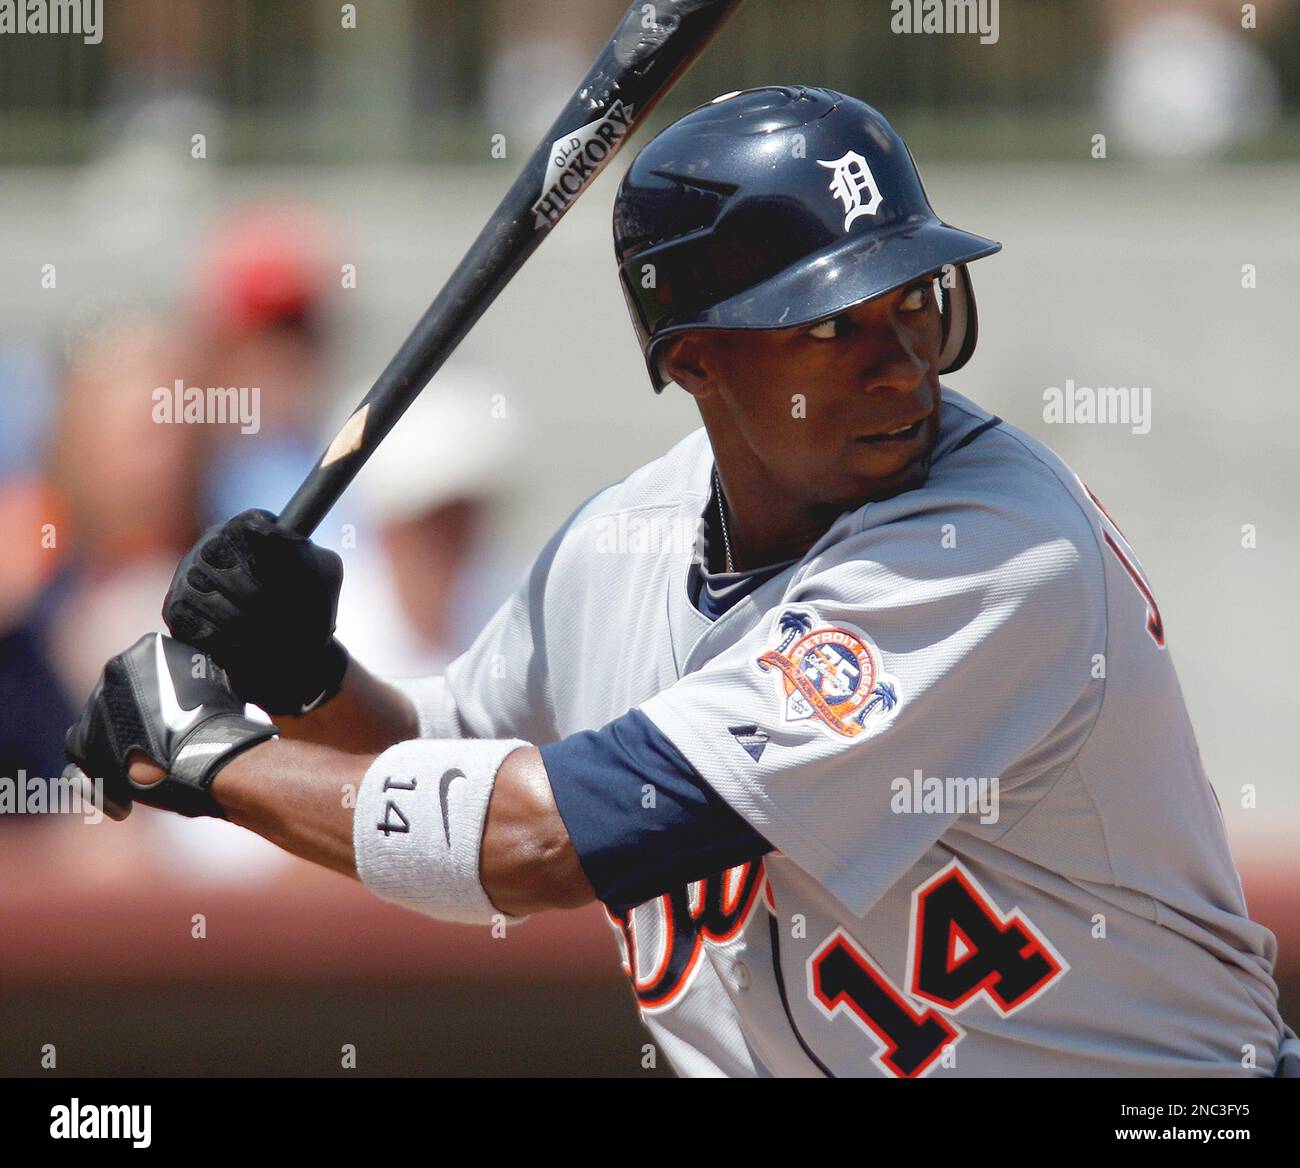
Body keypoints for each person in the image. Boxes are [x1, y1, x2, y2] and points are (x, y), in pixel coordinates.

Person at [64, 87, 1294, 1077]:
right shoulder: (624, 545)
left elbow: (545, 841)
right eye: (831, 323)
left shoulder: (996, 550)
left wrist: (218, 762)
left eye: (909, 298)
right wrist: (307, 682)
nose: (899, 360)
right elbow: (442, 770)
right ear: (694, 356)